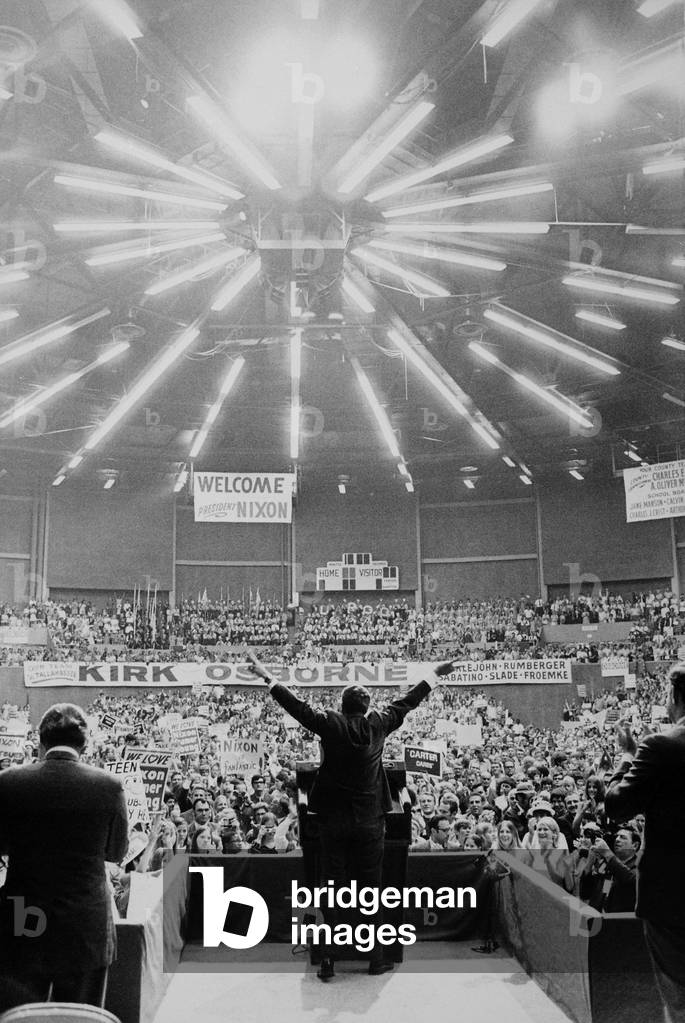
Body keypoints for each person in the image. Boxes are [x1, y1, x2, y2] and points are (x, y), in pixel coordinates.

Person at [247, 649, 455, 980]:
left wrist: (266, 677)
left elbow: (297, 707)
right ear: (367, 708)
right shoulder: (378, 724)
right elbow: (407, 702)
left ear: (342, 708)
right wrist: (435, 672)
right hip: (371, 824)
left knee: (333, 890)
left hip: (332, 823)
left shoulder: (330, 724)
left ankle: (328, 959)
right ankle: (375, 958)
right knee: (370, 891)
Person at [0, 702, 128, 1007]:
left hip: (24, 919)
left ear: (40, 741)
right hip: (85, 925)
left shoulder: (8, 782)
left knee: (20, 1013)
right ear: (85, 744)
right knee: (80, 1015)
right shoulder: (109, 786)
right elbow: (116, 851)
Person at [606, 663, 685, 1022]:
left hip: (672, 897)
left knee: (678, 997)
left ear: (675, 697)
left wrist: (626, 757)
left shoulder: (661, 746)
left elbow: (618, 806)